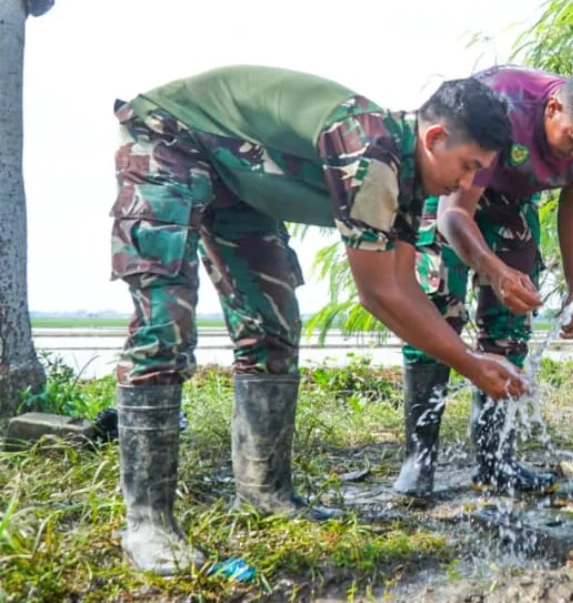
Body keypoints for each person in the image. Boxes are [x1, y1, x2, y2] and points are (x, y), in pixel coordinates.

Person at [109, 65, 529, 576]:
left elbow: (403, 285)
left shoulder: (408, 176)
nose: (465, 184)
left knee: (272, 326)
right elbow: (377, 294)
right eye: (467, 166)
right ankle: (148, 526)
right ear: (435, 137)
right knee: (164, 322)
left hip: (238, 179)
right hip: (172, 137)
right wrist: (469, 363)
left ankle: (265, 494)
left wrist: (470, 358)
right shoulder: (371, 150)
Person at [393, 64, 573, 499]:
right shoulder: (505, 107)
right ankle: (418, 462)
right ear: (553, 108)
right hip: (451, 189)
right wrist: (495, 270)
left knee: (511, 325)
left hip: (512, 202)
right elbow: (453, 214)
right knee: (437, 309)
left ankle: (495, 462)